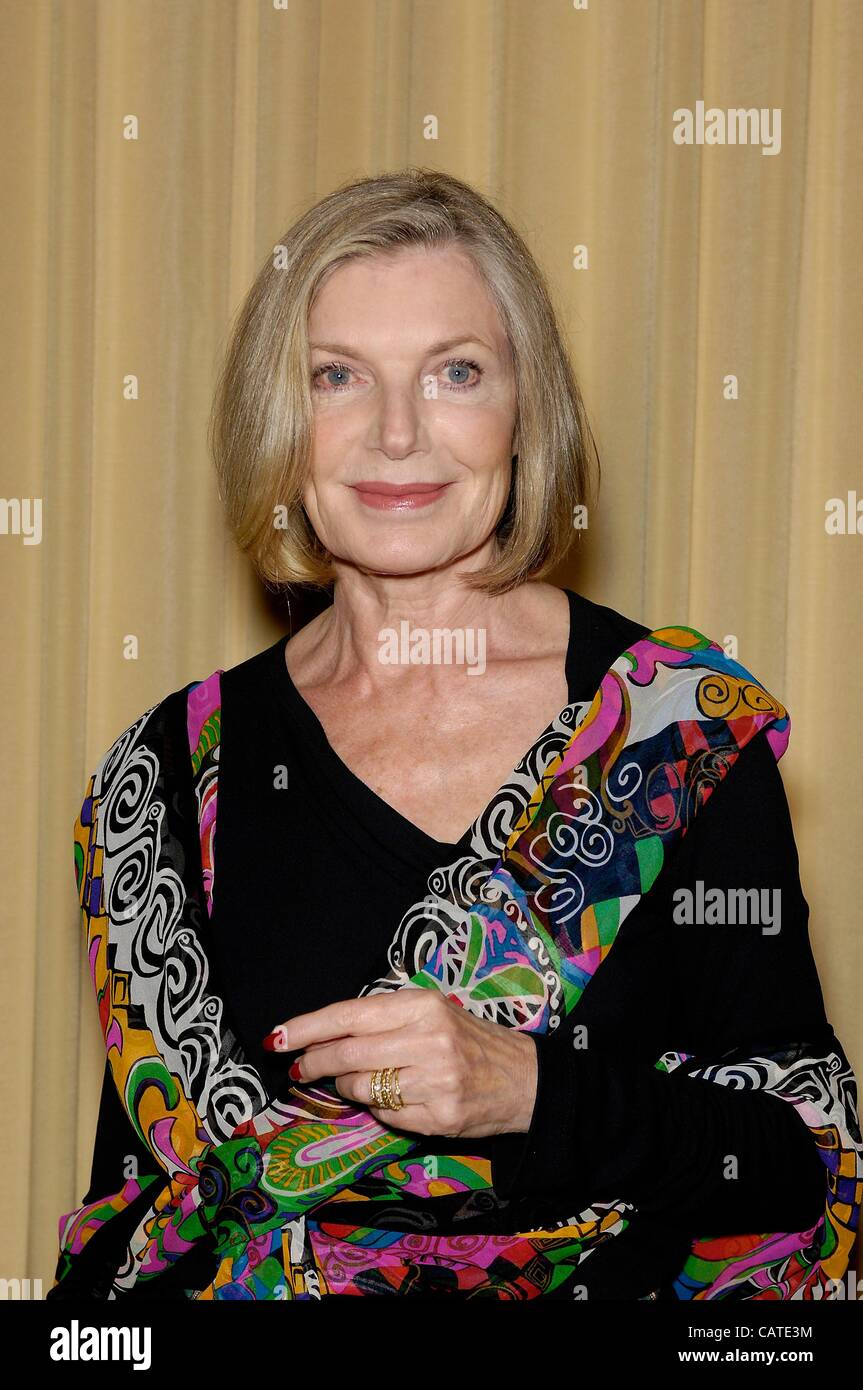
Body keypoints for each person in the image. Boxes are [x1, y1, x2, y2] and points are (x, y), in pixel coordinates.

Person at [49, 168, 861, 1301]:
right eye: (337, 376)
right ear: (276, 423)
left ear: (527, 408)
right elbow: (145, 1220)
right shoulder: (164, 778)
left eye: (454, 372)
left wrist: (533, 1089)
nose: (394, 432)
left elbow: (793, 1167)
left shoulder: (676, 734)